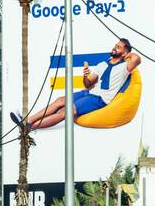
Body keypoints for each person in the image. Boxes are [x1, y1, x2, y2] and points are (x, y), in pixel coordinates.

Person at [12, 37, 141, 142]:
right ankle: (27, 121)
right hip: (88, 92)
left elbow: (137, 59)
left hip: (99, 99)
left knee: (66, 112)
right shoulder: (102, 65)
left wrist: (126, 55)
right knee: (60, 100)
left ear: (125, 53)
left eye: (118, 47)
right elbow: (88, 84)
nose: (114, 47)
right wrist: (85, 75)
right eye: (115, 45)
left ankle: (28, 127)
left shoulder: (124, 67)